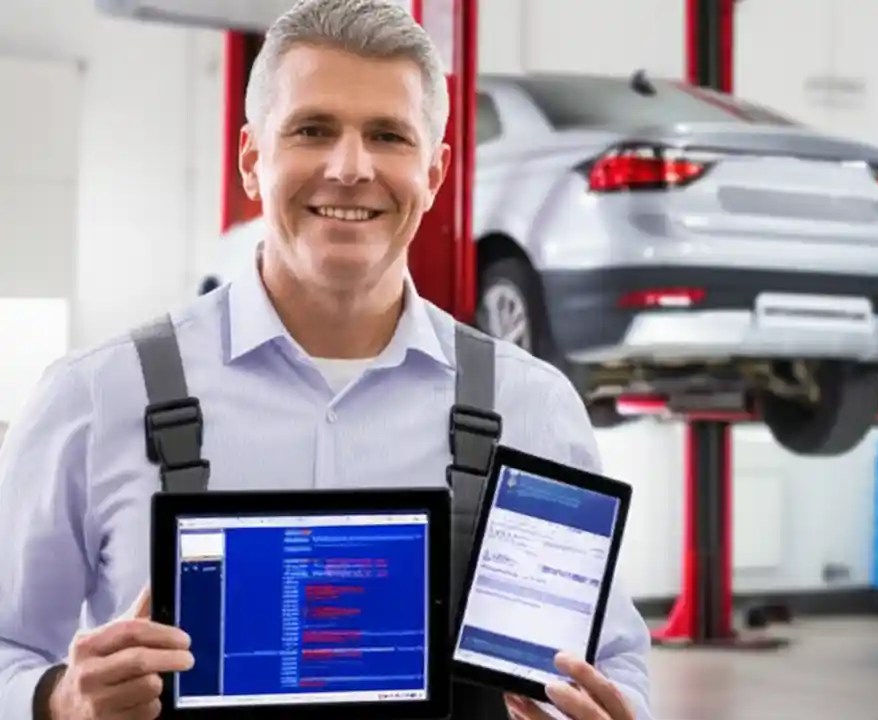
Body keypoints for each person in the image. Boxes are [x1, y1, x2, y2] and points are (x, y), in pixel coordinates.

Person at [0, 1, 653, 718]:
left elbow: (613, 658)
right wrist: (56, 700)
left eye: (388, 136)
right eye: (313, 130)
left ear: (434, 174)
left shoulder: (531, 408)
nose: (350, 167)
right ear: (252, 161)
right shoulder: (95, 398)